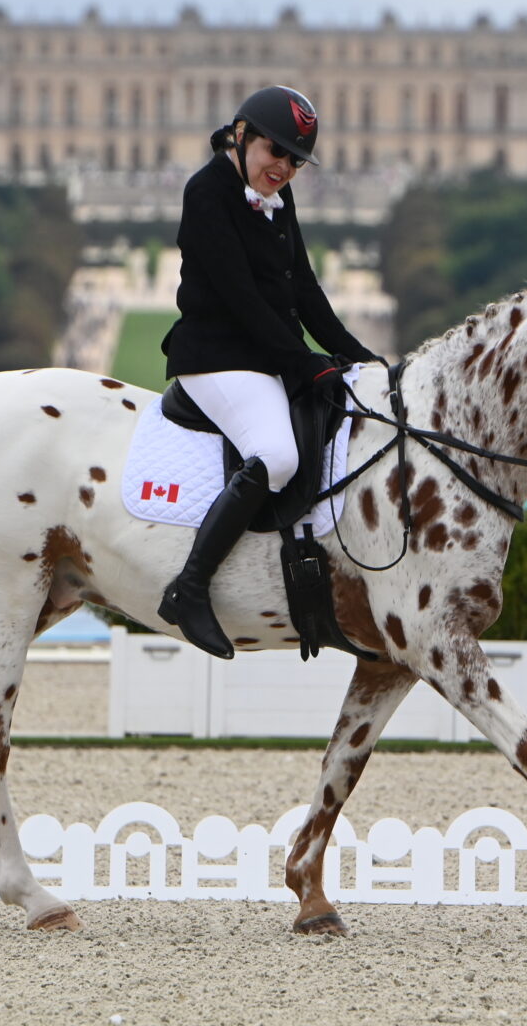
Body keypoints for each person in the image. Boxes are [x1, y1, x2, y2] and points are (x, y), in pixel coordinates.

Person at [157, 84, 380, 659]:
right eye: (273, 152)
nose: (282, 167)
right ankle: (190, 587)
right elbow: (241, 301)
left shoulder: (275, 196)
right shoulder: (207, 192)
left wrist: (358, 358)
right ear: (241, 136)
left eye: (294, 160)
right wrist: (304, 364)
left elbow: (303, 290)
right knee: (278, 456)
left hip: (261, 357)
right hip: (215, 358)